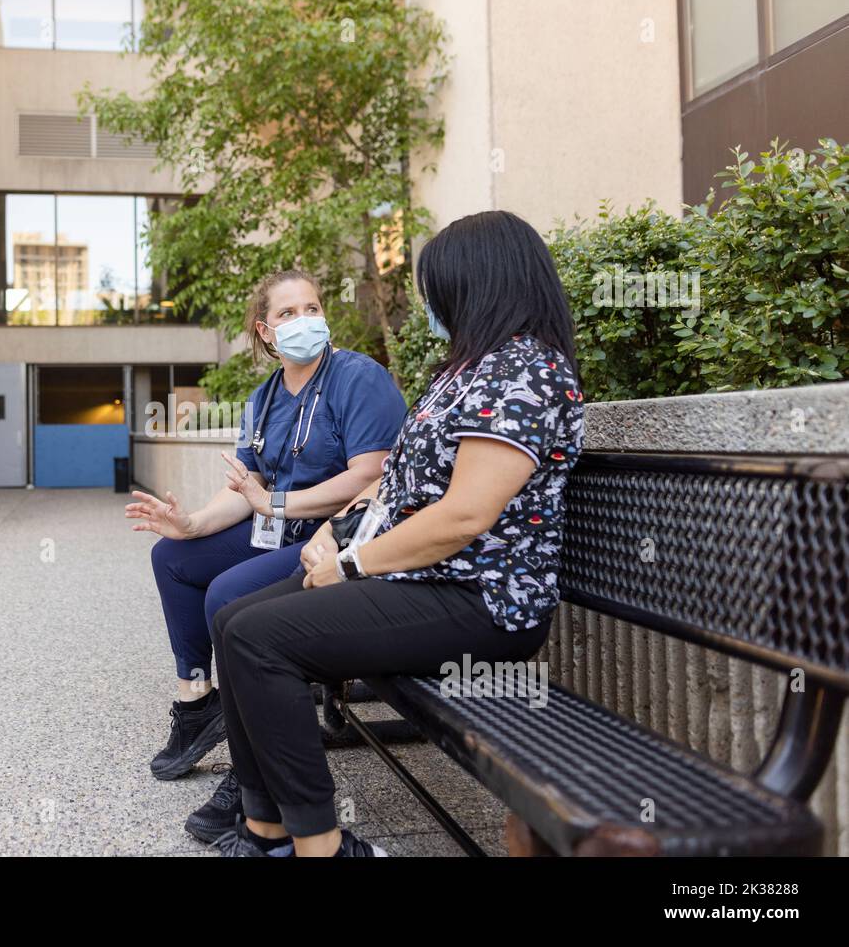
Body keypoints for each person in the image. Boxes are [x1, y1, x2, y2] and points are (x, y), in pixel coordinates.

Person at [207, 211, 586, 856]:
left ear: (480, 284)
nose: (431, 304)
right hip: (420, 577)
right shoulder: (464, 371)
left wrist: (353, 567)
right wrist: (334, 532)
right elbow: (395, 484)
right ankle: (265, 825)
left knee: (259, 638)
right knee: (233, 620)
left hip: (480, 599)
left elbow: (465, 515)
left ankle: (321, 847)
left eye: (436, 289)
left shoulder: (528, 372)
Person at [125, 269, 407, 842]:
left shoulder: (360, 379)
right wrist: (190, 523)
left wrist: (278, 503)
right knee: (172, 559)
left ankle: (252, 770)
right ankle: (199, 702)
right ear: (266, 331)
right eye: (288, 314)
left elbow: (371, 475)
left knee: (230, 594)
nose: (305, 321)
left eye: (313, 307)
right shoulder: (265, 398)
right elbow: (245, 488)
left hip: (339, 537)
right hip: (280, 529)